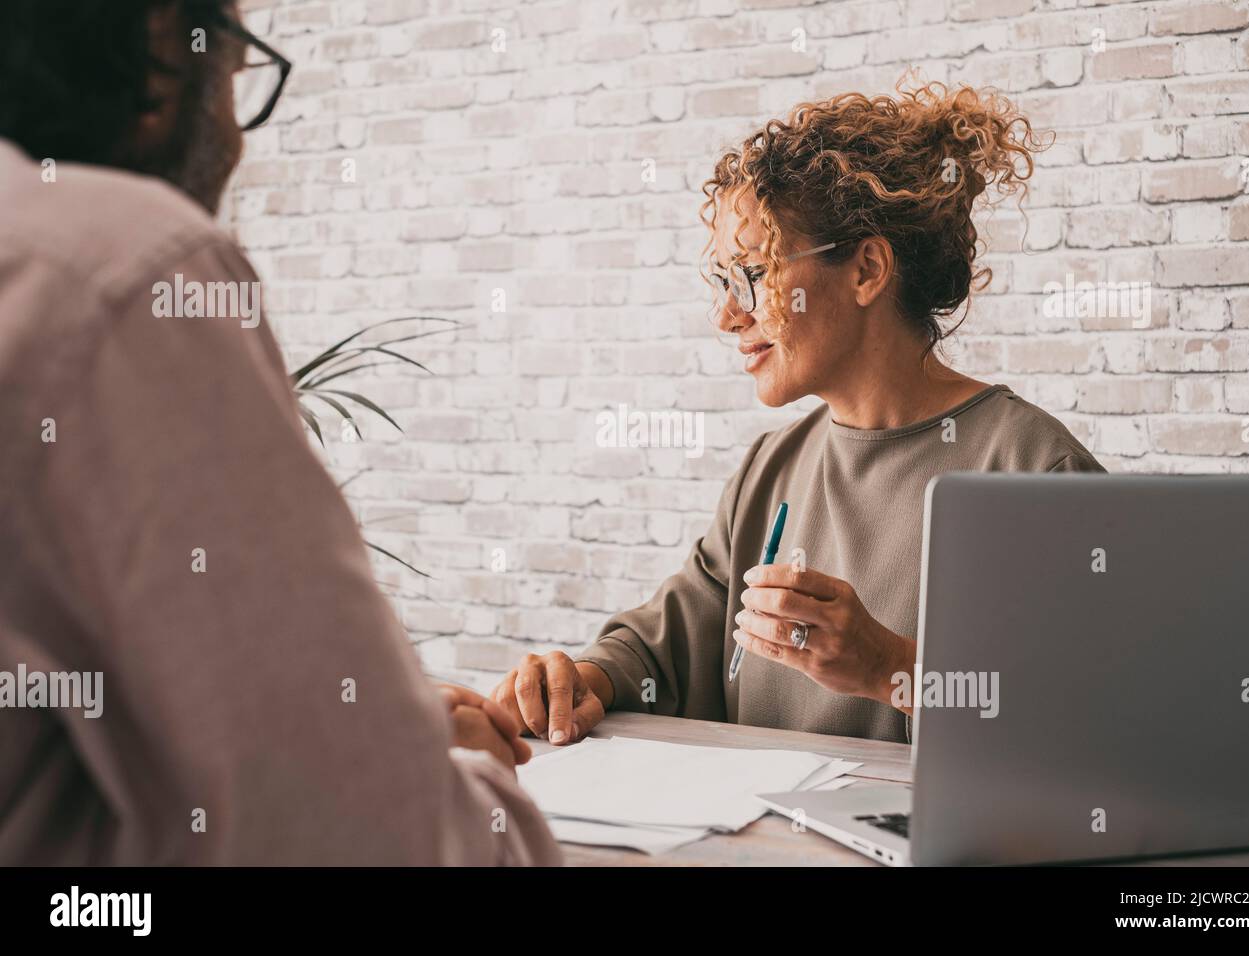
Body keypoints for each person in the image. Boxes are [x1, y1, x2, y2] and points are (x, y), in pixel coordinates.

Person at [0, 0, 558, 865]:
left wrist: (372, 729)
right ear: (162, 41)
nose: (237, 138)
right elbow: (374, 844)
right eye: (238, 73)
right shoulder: (114, 269)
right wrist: (460, 777)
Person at [493, 84, 1105, 746]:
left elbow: (1098, 723)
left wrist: (891, 669)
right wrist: (584, 678)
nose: (727, 315)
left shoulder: (1035, 468)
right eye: (724, 281)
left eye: (754, 274)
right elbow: (667, 648)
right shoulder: (771, 466)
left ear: (867, 269)